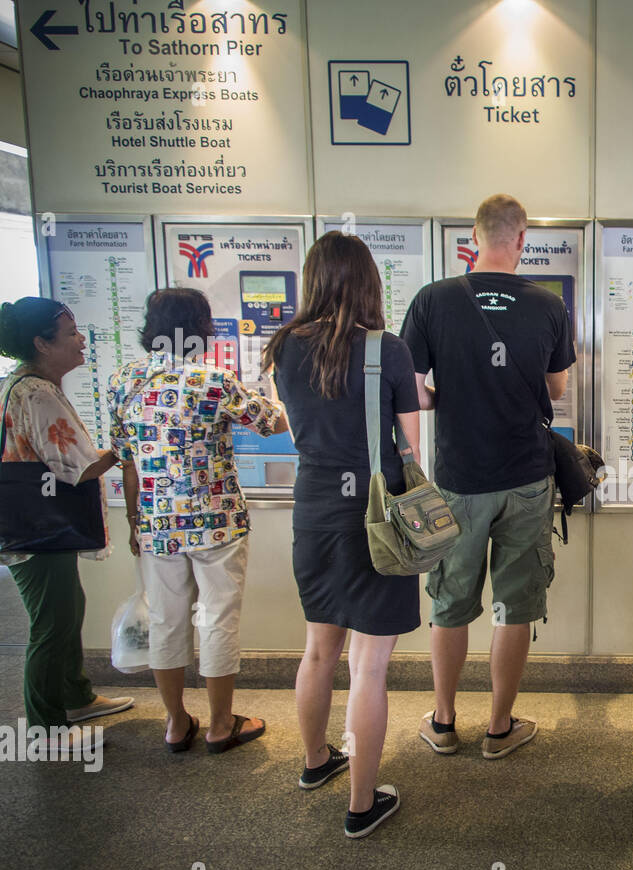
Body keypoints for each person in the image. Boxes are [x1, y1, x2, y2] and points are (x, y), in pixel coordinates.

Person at [401, 194, 575, 759]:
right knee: (514, 606)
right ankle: (500, 727)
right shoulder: (548, 305)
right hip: (526, 477)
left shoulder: (434, 299)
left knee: (450, 604)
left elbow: (411, 386)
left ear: (473, 239)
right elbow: (557, 390)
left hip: (457, 480)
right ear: (521, 240)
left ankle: (445, 722)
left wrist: (444, 395)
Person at [266, 231, 423, 839]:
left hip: (313, 512)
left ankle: (314, 763)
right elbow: (408, 445)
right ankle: (362, 803)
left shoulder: (284, 347)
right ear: (368, 282)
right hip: (376, 515)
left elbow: (301, 423)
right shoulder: (390, 349)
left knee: (317, 650)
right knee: (368, 668)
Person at [109, 289, 286, 755]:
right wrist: (273, 386)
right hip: (216, 522)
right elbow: (274, 423)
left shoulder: (123, 380)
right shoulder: (213, 380)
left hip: (156, 525)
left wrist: (133, 521)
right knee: (217, 618)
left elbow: (126, 458)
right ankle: (221, 724)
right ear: (202, 328)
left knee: (167, 621)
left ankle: (174, 723)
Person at [0, 298, 132, 752]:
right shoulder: (34, 391)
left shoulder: (24, 384)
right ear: (41, 343)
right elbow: (78, 466)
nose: (81, 340)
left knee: (67, 608)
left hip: (37, 524)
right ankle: (46, 727)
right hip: (35, 529)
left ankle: (76, 696)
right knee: (51, 623)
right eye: (71, 332)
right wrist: (125, 445)